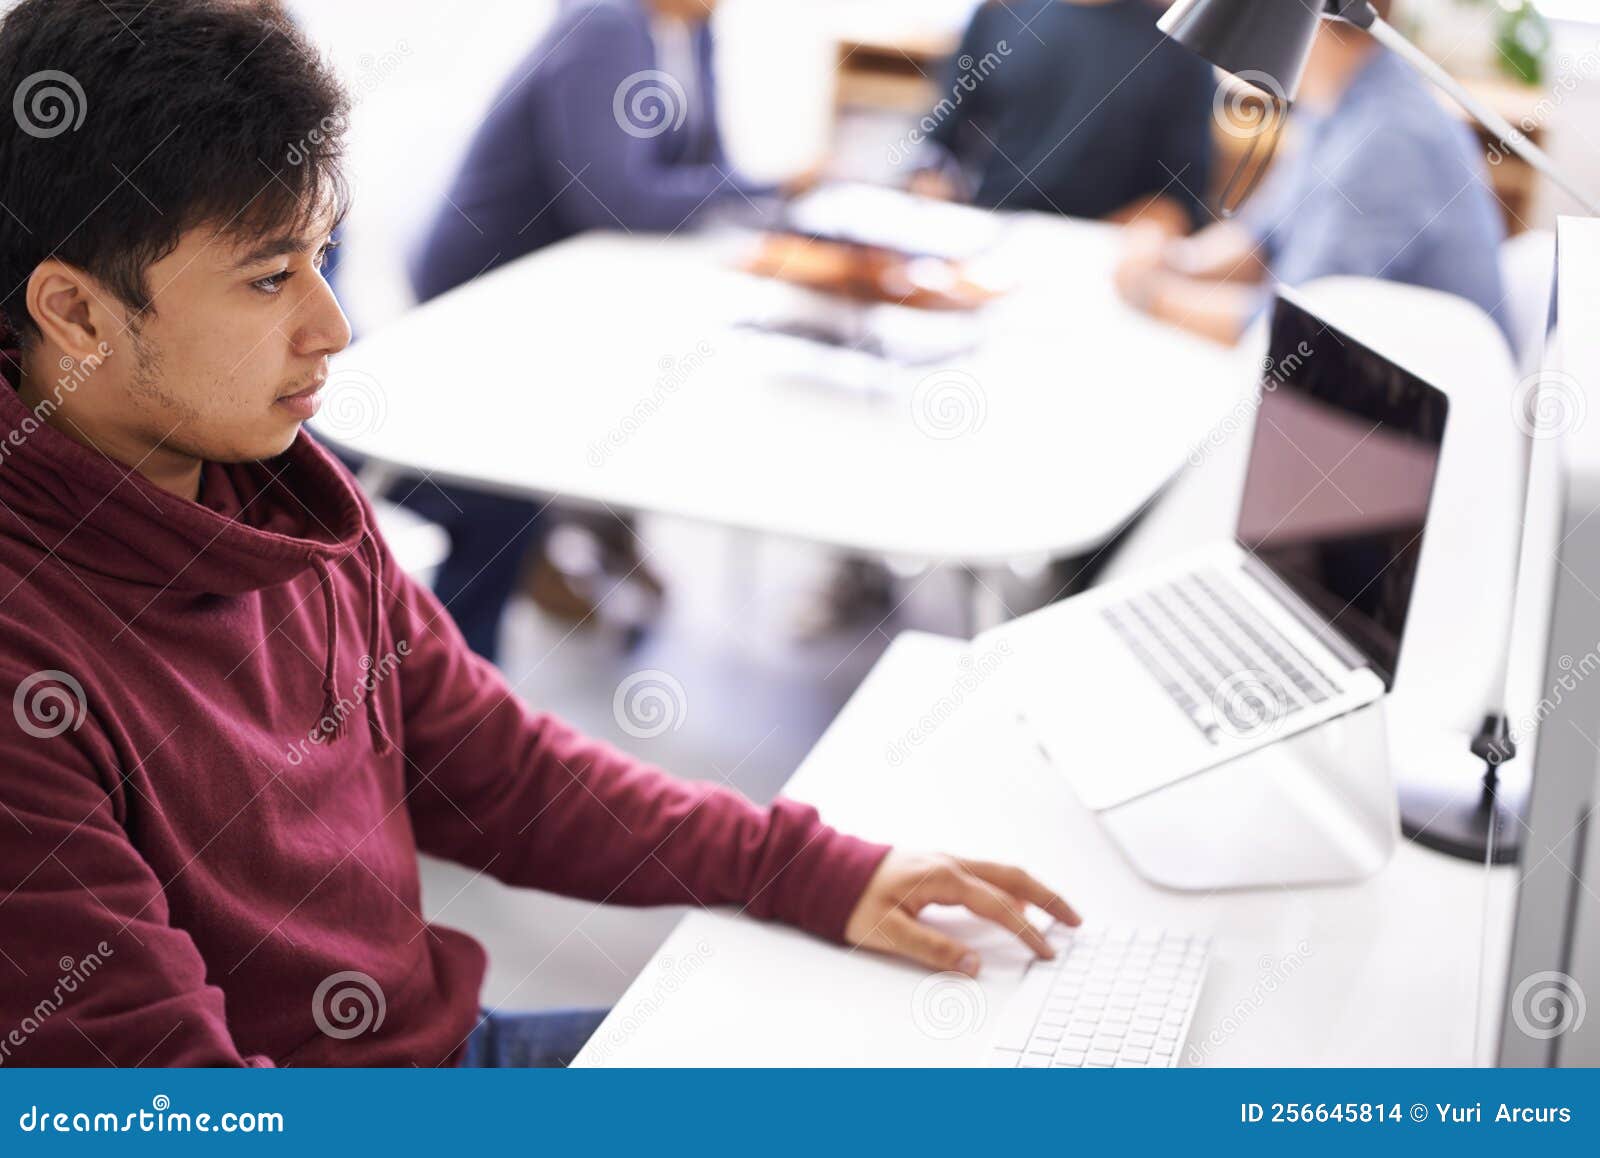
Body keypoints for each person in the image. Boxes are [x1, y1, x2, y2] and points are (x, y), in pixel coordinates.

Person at [0, 0, 1076, 1068]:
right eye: (271, 277)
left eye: (325, 257)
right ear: (79, 315)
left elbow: (500, 770)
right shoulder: (29, 669)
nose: (331, 328)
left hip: (451, 1054)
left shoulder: (280, 489)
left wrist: (814, 870)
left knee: (935, 1063)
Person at [401, 0, 777, 663]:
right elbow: (617, 198)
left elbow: (705, 164)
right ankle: (555, 539)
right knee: (508, 487)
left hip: (578, 293)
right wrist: (754, 190)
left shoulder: (694, 29)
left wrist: (763, 189)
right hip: (485, 293)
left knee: (669, 360)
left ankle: (584, 531)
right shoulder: (607, 23)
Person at [1114, 0, 1510, 346]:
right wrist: (1175, 261)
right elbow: (1263, 237)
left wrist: (1155, 297)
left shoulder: (1389, 141)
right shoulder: (1340, 102)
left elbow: (1296, 331)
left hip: (1431, 405)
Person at [908, 0, 1217, 236]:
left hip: (1100, 250)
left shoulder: (1176, 40)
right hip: (991, 233)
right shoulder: (1000, 13)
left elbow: (1182, 198)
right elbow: (938, 145)